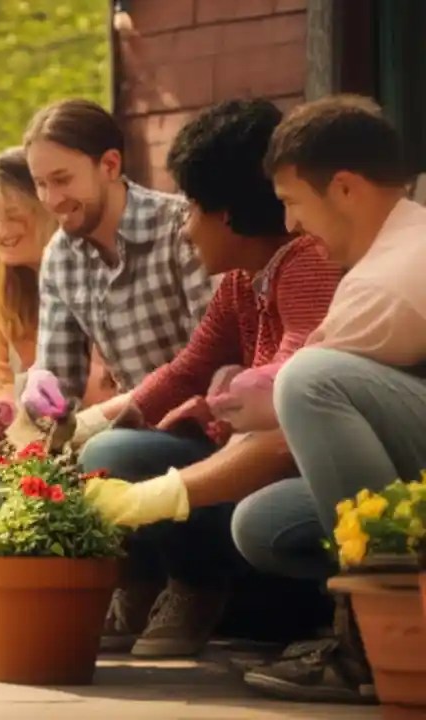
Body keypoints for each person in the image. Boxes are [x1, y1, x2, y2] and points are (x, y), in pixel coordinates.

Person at [58, 99, 343, 659]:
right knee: (118, 445)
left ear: (229, 215)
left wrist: (156, 487)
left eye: (191, 210)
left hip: (297, 472)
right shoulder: (243, 280)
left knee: (131, 458)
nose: (186, 231)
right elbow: (187, 369)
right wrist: (80, 429)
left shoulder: (306, 265)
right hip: (256, 458)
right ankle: (143, 590)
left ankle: (200, 588)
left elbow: (286, 404)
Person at [222, 95, 426, 704]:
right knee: (264, 523)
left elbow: (300, 393)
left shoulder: (392, 281)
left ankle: (377, 639)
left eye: (291, 203)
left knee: (311, 379)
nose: (289, 226)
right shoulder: (395, 247)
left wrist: (167, 493)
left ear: (343, 189)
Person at [18, 98, 214, 445]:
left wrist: (98, 421)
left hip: (203, 423)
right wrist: (41, 394)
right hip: (134, 428)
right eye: (41, 183)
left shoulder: (181, 228)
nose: (51, 199)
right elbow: (59, 381)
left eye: (62, 180)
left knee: (107, 452)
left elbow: (208, 361)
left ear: (109, 165)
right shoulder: (60, 257)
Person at [0, 148, 117, 435]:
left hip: (97, 410)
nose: (1, 230)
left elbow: (100, 374)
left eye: (13, 216)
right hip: (36, 404)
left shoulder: (87, 267)